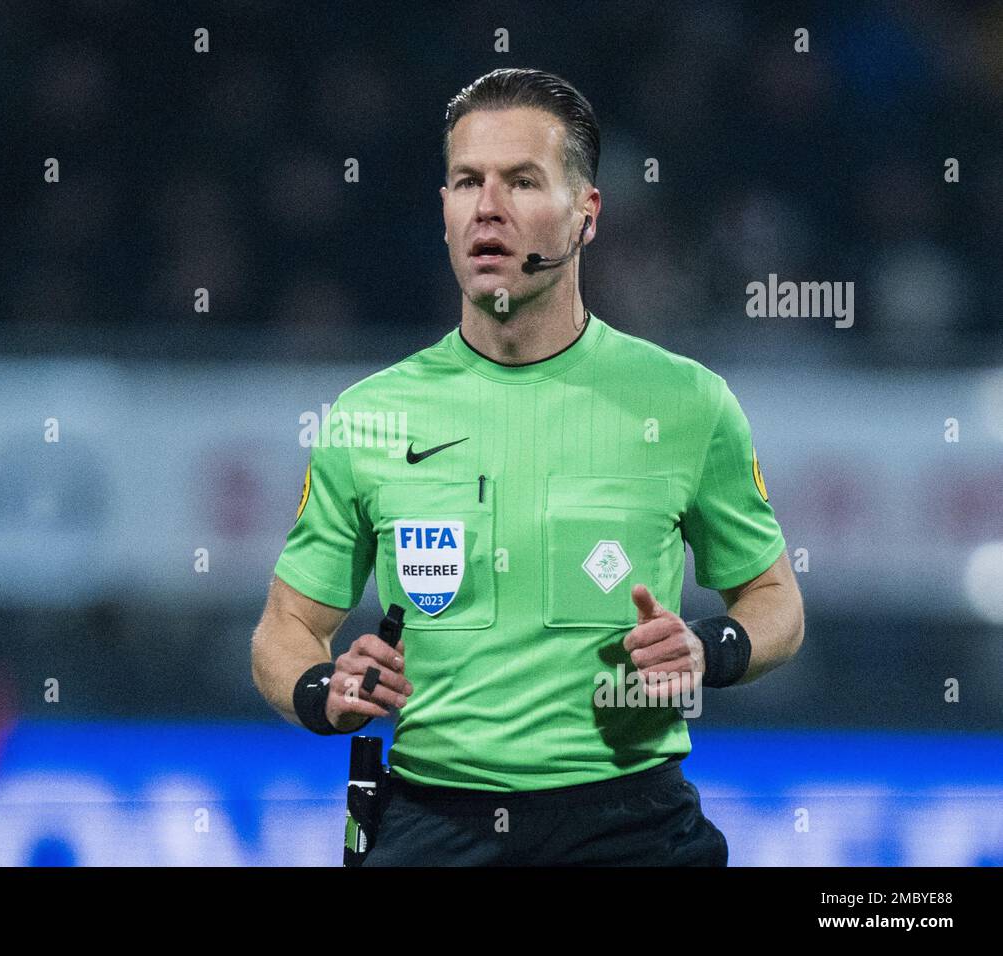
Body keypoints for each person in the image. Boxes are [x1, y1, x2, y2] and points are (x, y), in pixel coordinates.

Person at [250, 68, 805, 865]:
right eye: (466, 181)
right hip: (430, 828)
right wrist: (321, 688)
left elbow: (775, 599)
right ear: (442, 210)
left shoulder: (687, 403)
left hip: (630, 828)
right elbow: (285, 628)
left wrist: (709, 648)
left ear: (586, 214)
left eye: (521, 181)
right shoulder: (367, 417)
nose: (487, 208)